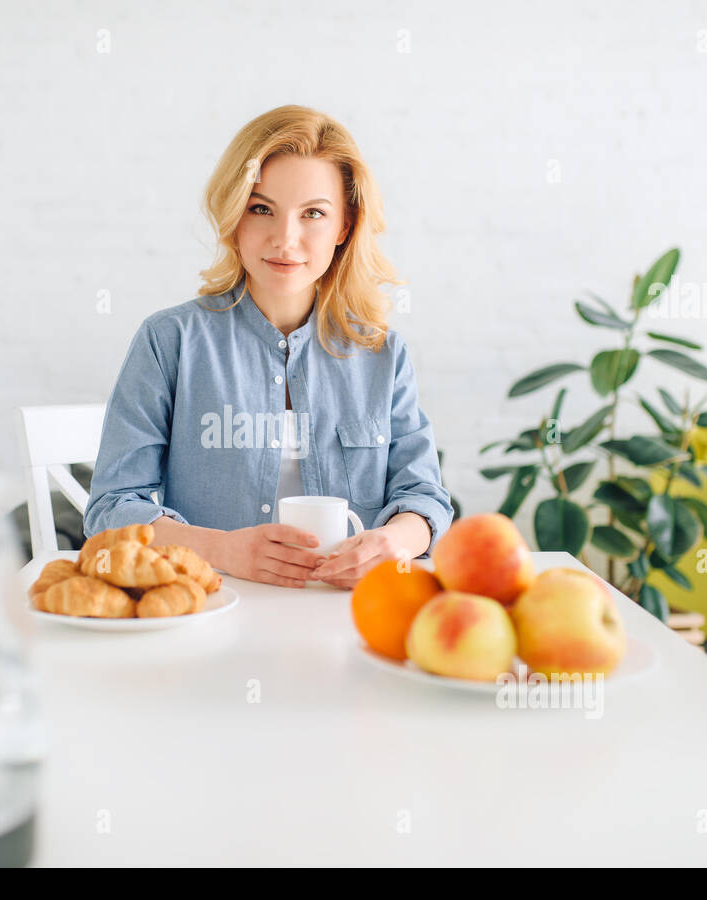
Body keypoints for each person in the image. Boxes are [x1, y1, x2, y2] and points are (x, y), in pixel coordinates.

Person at [84, 104, 452, 589]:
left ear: (344, 227)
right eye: (261, 209)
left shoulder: (383, 353)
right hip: (210, 610)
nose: (285, 239)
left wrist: (395, 541)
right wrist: (222, 549)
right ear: (235, 216)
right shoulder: (168, 342)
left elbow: (424, 496)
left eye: (314, 214)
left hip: (350, 618)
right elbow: (111, 509)